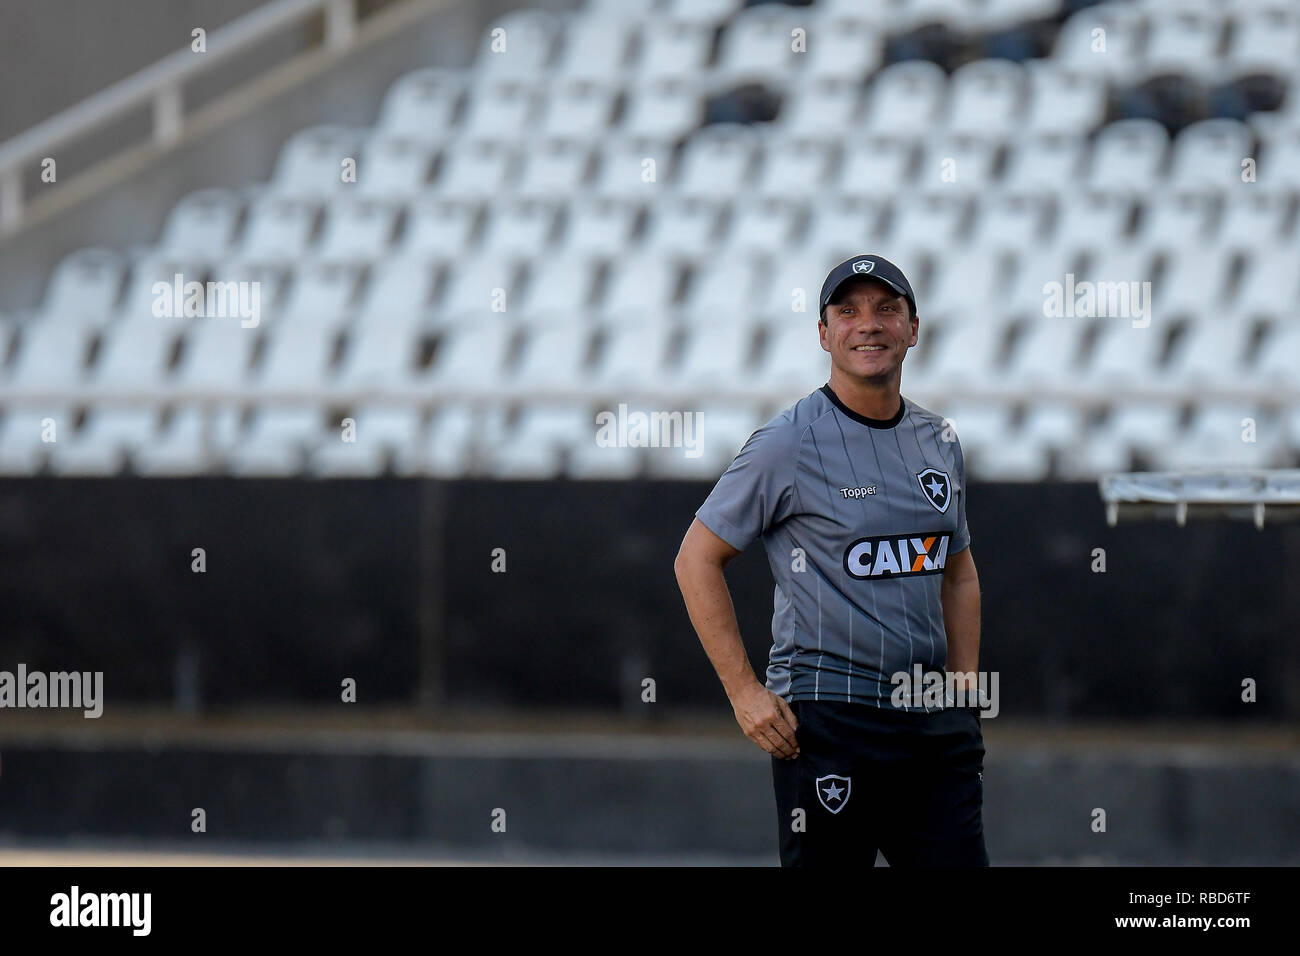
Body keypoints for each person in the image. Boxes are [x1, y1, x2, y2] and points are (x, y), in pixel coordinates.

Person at [673, 254, 988, 867]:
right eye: (848, 311)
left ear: (913, 329)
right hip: (829, 719)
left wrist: (965, 686)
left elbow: (959, 571)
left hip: (930, 719)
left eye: (886, 309)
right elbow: (695, 560)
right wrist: (745, 693)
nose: (868, 324)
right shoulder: (788, 442)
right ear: (824, 334)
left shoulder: (939, 440)